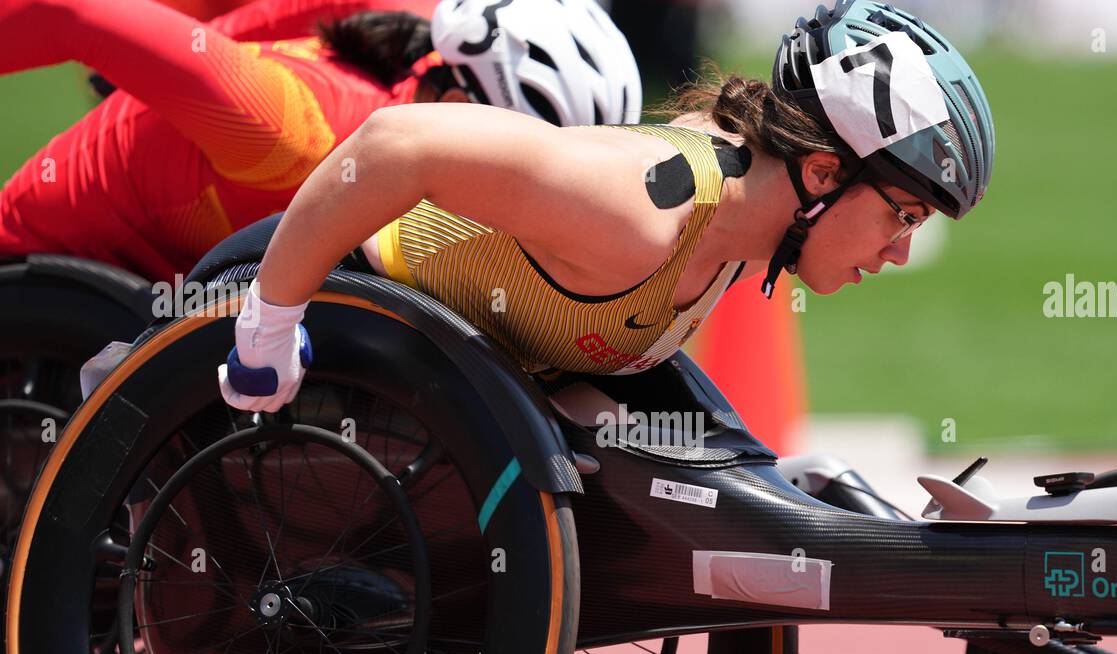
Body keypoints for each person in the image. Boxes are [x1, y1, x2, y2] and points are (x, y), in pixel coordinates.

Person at [217, 0, 994, 411]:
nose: (899, 252)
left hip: (404, 388)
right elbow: (395, 145)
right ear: (823, 175)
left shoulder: (744, 223)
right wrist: (270, 324)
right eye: (905, 213)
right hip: (287, 311)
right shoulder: (641, 210)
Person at [0, 0, 642, 280]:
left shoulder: (416, 64)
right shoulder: (288, 130)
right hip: (40, 266)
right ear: (451, 106)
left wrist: (209, 46)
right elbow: (71, 13)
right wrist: (161, 70)